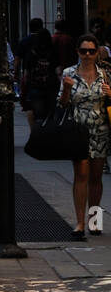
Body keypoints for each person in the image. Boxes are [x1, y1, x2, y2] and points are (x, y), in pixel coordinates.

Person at [58, 33, 111, 239]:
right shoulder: (69, 73)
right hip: (78, 131)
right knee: (81, 175)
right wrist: (66, 90)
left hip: (101, 130)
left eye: (91, 51)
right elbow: (61, 105)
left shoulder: (105, 74)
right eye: (83, 51)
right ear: (77, 52)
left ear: (97, 52)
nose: (87, 55)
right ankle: (80, 223)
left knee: (96, 177)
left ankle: (94, 221)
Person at [20, 27, 60, 129]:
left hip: (35, 87)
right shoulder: (53, 52)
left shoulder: (31, 53)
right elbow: (58, 71)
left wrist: (24, 87)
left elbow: (26, 73)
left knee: (37, 115)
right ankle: (48, 135)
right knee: (50, 115)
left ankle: (37, 135)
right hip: (51, 87)